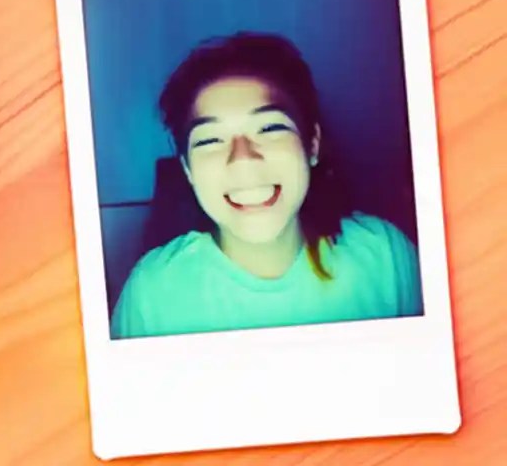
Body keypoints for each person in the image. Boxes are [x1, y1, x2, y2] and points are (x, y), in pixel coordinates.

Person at [111, 32, 423, 339]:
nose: (243, 159)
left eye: (270, 127)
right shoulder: (152, 294)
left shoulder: (385, 258)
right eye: (209, 140)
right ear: (188, 170)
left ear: (311, 145)